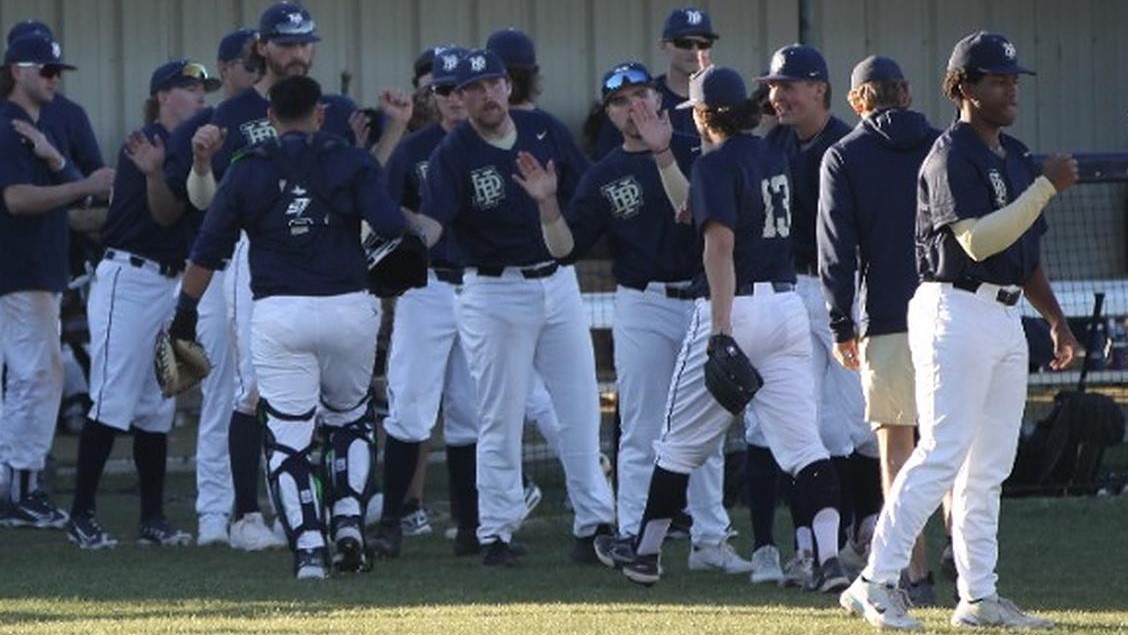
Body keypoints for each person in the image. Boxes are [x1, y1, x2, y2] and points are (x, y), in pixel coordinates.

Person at [840, 31, 1078, 630]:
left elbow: (1025, 254)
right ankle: (875, 581)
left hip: (1002, 315)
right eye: (998, 80)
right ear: (964, 88)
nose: (1010, 89)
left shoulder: (1014, 154)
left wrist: (1055, 319)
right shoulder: (951, 154)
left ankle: (978, 597)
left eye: (1013, 80)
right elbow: (976, 239)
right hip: (953, 308)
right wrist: (1045, 187)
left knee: (989, 467)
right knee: (942, 453)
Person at [592, 66, 846, 590]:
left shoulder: (714, 164)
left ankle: (644, 555)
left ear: (704, 117)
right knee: (804, 448)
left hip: (737, 308)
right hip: (787, 307)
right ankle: (827, 561)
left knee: (677, 446)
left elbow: (720, 246)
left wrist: (721, 331)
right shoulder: (772, 153)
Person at [170, 2, 398, 552]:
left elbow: (367, 183)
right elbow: (206, 204)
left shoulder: (337, 107)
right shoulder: (231, 112)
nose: (298, 53)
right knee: (252, 389)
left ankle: (316, 512)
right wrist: (202, 164)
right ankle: (245, 513)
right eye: (286, 44)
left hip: (331, 256)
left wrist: (393, 133)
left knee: (331, 396)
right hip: (257, 255)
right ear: (262, 48)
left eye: (305, 43)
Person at [531, 60, 750, 575]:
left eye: (641, 95)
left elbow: (696, 215)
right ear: (608, 113)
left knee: (709, 422)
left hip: (702, 297)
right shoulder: (604, 172)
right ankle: (632, 533)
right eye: (620, 101)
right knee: (642, 425)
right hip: (643, 301)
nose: (634, 107)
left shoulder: (696, 149)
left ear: (659, 98)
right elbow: (565, 248)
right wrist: (546, 207)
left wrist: (662, 152)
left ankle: (710, 538)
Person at [419, 48, 614, 567]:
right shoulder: (453, 154)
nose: (485, 95)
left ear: (509, 85)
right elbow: (433, 227)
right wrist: (394, 229)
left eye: (492, 83)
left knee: (580, 407)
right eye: (472, 88)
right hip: (492, 290)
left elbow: (588, 188)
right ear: (459, 98)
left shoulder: (543, 129)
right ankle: (496, 531)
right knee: (500, 415)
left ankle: (594, 523)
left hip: (556, 280)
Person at [67, 58, 217, 549]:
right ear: (162, 95)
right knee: (112, 397)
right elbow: (167, 213)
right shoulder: (145, 141)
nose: (200, 95)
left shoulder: (193, 148)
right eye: (189, 87)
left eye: (202, 88)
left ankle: (152, 518)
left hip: (170, 282)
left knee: (157, 405)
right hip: (129, 278)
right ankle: (81, 514)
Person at [817, 55, 941, 604]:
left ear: (856, 101)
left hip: (888, 316)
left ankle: (913, 572)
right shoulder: (945, 145)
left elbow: (837, 252)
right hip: (951, 312)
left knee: (897, 445)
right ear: (907, 92)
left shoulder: (844, 156)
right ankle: (965, 557)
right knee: (955, 444)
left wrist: (841, 322)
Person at [758, 44, 873, 589]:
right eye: (774, 86)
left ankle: (864, 531)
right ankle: (809, 549)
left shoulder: (847, 144)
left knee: (854, 422)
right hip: (790, 288)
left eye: (789, 85)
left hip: (846, 290)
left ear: (820, 90)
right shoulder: (773, 143)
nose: (777, 96)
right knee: (801, 425)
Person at [146, 27, 260, 548]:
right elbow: (189, 205)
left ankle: (260, 508)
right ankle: (214, 513)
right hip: (213, 265)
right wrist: (200, 162)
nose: (256, 69)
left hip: (270, 263)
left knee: (266, 390)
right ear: (230, 66)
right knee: (218, 390)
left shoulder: (281, 114)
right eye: (248, 61)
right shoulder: (200, 127)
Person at [0, 33, 113, 529]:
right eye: (43, 69)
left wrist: (55, 161)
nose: (52, 78)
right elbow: (18, 200)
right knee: (36, 375)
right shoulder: (6, 124)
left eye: (55, 70)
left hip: (37, 266)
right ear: (16, 70)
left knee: (36, 374)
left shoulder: (56, 121)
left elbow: (97, 186)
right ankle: (20, 487)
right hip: (18, 267)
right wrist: (76, 184)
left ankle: (16, 484)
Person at [592, 6, 715, 158]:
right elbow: (607, 164)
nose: (695, 50)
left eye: (704, 44)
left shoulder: (724, 99)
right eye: (684, 43)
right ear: (662, 45)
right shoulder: (640, 97)